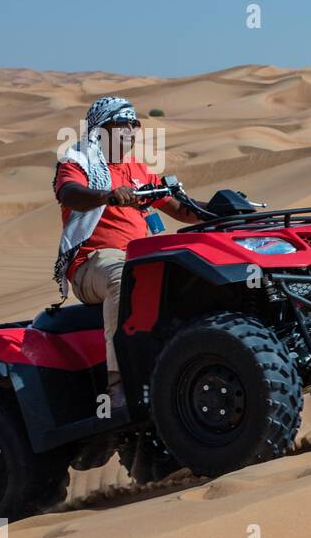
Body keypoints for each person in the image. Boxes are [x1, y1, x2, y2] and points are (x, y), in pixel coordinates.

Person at [53, 97, 203, 413]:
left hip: (140, 259)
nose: (130, 134)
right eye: (122, 127)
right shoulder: (78, 163)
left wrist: (220, 211)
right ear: (100, 131)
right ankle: (119, 384)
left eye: (133, 127)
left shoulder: (138, 170)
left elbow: (183, 211)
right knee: (123, 274)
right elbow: (70, 194)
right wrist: (108, 196)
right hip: (92, 265)